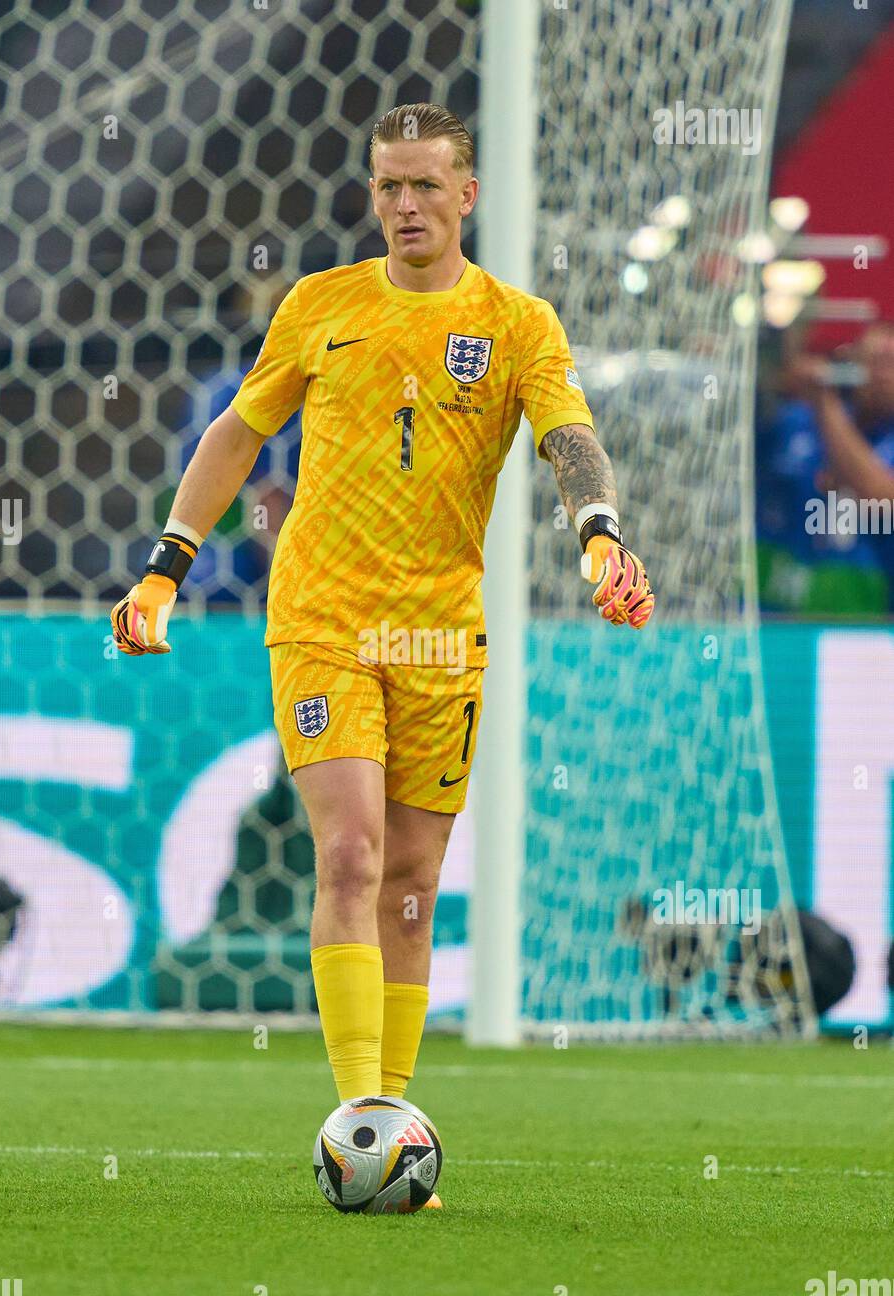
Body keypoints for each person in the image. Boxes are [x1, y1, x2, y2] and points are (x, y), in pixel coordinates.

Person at [110, 104, 654, 1205]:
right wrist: (166, 565)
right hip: (322, 620)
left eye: (422, 186)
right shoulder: (320, 304)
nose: (402, 205)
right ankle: (356, 1110)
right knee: (351, 856)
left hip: (442, 635)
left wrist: (599, 535)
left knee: (411, 881)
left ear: (465, 194)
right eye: (385, 186)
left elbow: (567, 437)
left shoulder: (516, 323)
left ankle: (394, 1119)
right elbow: (236, 433)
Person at [756, 322, 894, 613]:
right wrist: (775, 378)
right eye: (874, 361)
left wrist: (823, 399)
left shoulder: (824, 408)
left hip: (864, 625)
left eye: (891, 364)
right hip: (773, 612)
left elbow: (879, 496)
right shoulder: (796, 421)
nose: (883, 375)